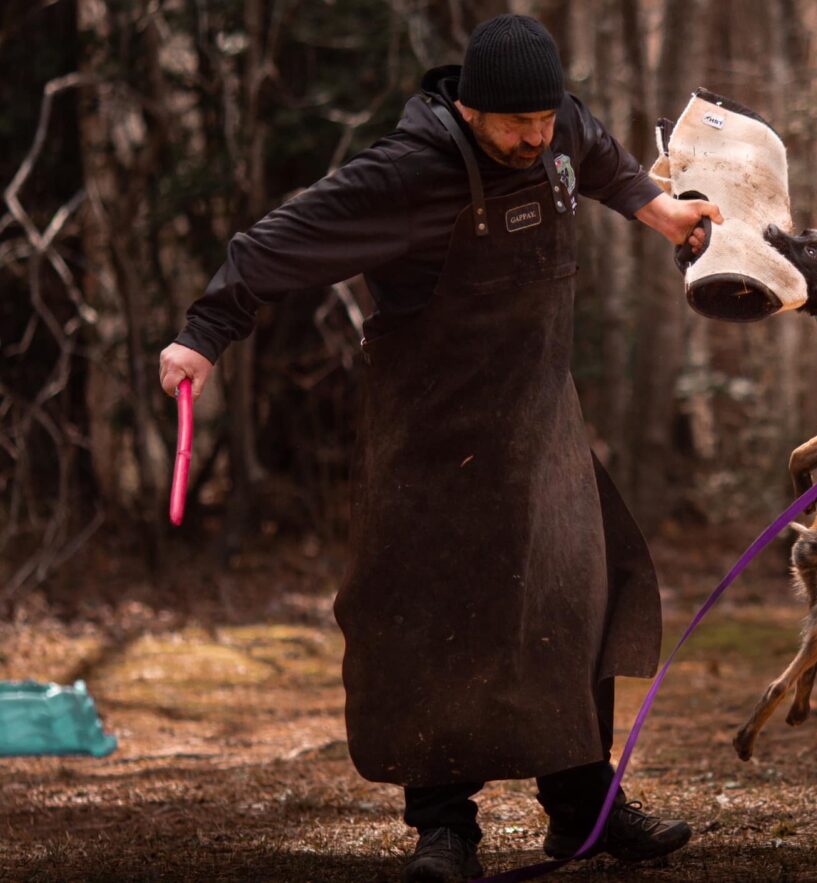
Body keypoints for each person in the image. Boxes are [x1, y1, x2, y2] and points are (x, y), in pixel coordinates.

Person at [157, 13, 721, 883]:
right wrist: (203, 333)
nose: (535, 139)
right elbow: (277, 244)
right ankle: (443, 833)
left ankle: (583, 814)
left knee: (566, 615)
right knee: (428, 627)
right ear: (467, 111)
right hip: (428, 442)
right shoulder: (406, 173)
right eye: (515, 127)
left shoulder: (555, 124)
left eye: (544, 122)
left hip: (541, 432)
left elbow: (597, 153)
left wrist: (657, 208)